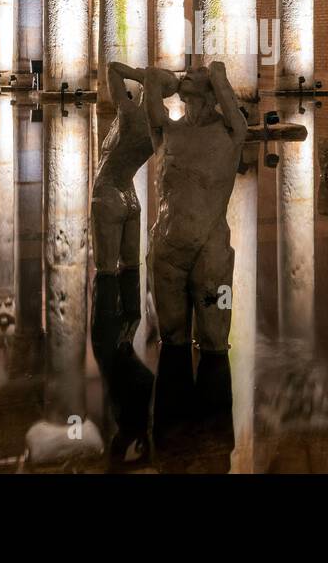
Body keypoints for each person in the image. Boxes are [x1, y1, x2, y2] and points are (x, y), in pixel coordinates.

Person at [144, 61, 246, 458]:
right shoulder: (168, 132)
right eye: (184, 89)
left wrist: (219, 74)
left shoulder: (229, 133)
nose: (187, 90)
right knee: (172, 342)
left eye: (192, 86)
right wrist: (154, 82)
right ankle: (173, 439)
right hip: (167, 250)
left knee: (216, 343)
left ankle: (214, 440)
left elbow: (236, 116)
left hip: (211, 253)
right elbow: (151, 106)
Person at [91, 61, 154, 341]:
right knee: (131, 268)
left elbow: (113, 69)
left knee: (105, 272)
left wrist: (142, 74)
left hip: (107, 193)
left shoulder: (129, 113)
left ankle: (108, 335)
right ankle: (130, 330)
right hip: (131, 197)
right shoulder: (160, 126)